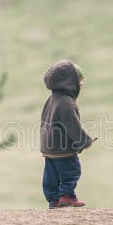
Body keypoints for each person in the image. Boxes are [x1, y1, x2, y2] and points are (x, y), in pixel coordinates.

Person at [40, 59, 95, 209]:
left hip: (49, 147)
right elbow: (73, 126)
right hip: (62, 148)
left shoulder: (52, 99)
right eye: (80, 80)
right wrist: (85, 141)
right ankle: (66, 196)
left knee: (51, 176)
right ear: (70, 81)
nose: (81, 84)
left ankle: (54, 201)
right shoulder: (67, 103)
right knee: (72, 170)